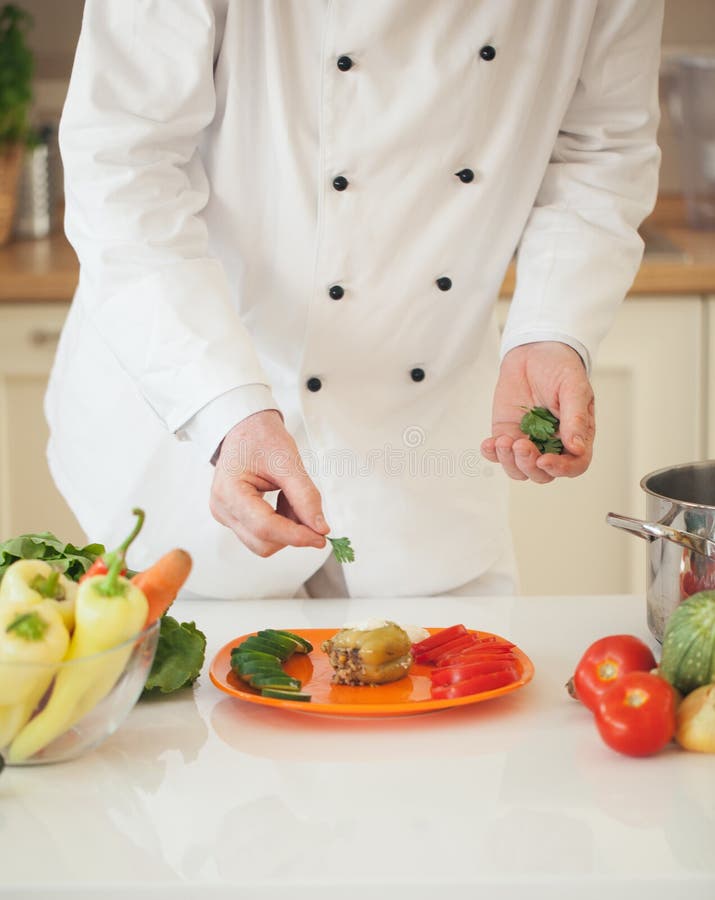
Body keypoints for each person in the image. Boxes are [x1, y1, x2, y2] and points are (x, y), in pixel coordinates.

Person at [46, 0, 663, 600]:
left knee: (452, 666)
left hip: (426, 440)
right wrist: (224, 408)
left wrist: (551, 329)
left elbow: (602, 153)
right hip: (195, 413)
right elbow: (123, 170)